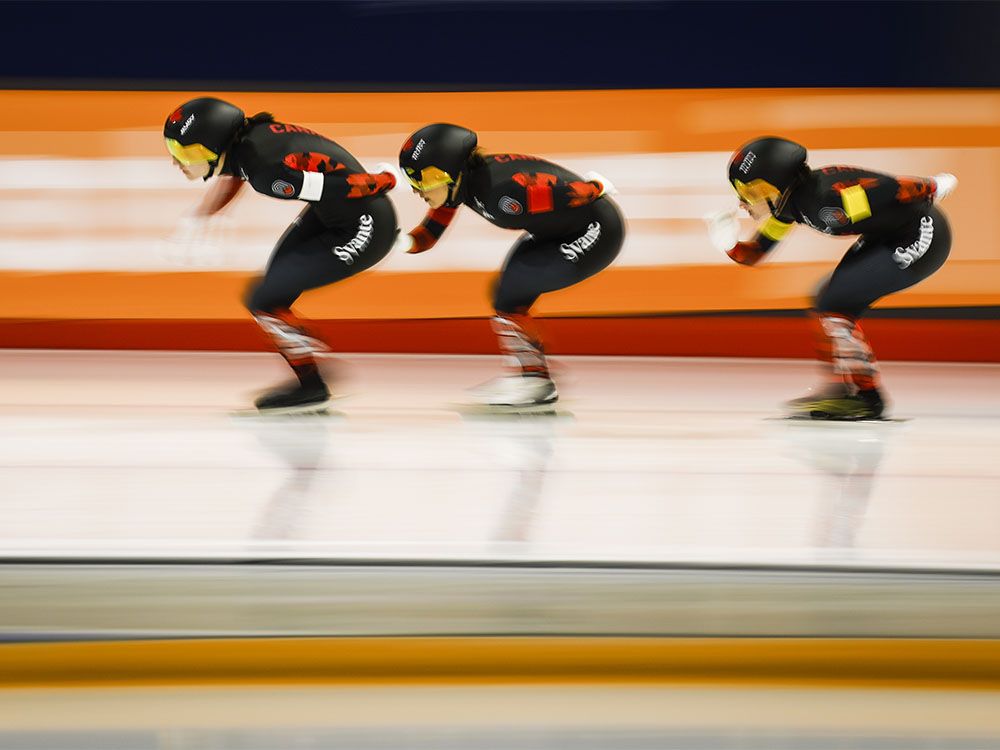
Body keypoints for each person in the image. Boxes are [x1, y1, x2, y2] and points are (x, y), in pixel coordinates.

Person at [163, 97, 399, 414]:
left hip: (365, 228)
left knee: (264, 299)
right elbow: (235, 173)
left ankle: (313, 381)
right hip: (335, 216)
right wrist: (204, 214)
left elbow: (341, 187)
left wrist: (386, 179)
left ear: (216, 146)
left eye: (187, 153)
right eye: (174, 151)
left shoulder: (265, 172)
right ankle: (311, 383)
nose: (178, 162)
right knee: (267, 298)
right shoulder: (249, 141)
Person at [706, 136, 957, 420]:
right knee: (827, 299)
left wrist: (934, 185)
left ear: (773, 187)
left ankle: (868, 398)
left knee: (835, 304)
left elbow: (892, 188)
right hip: (887, 235)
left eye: (747, 193)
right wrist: (728, 243)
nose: (741, 203)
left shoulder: (829, 198)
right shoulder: (789, 207)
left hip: (923, 232)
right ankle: (841, 390)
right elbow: (755, 255)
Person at [394, 123, 625, 407]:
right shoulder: (464, 186)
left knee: (513, 289)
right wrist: (402, 242)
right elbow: (430, 233)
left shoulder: (502, 194)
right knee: (506, 295)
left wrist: (597, 186)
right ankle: (532, 377)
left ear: (451, 173)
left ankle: (535, 381)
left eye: (424, 180)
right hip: (555, 233)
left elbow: (568, 193)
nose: (418, 190)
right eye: (413, 181)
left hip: (597, 230)